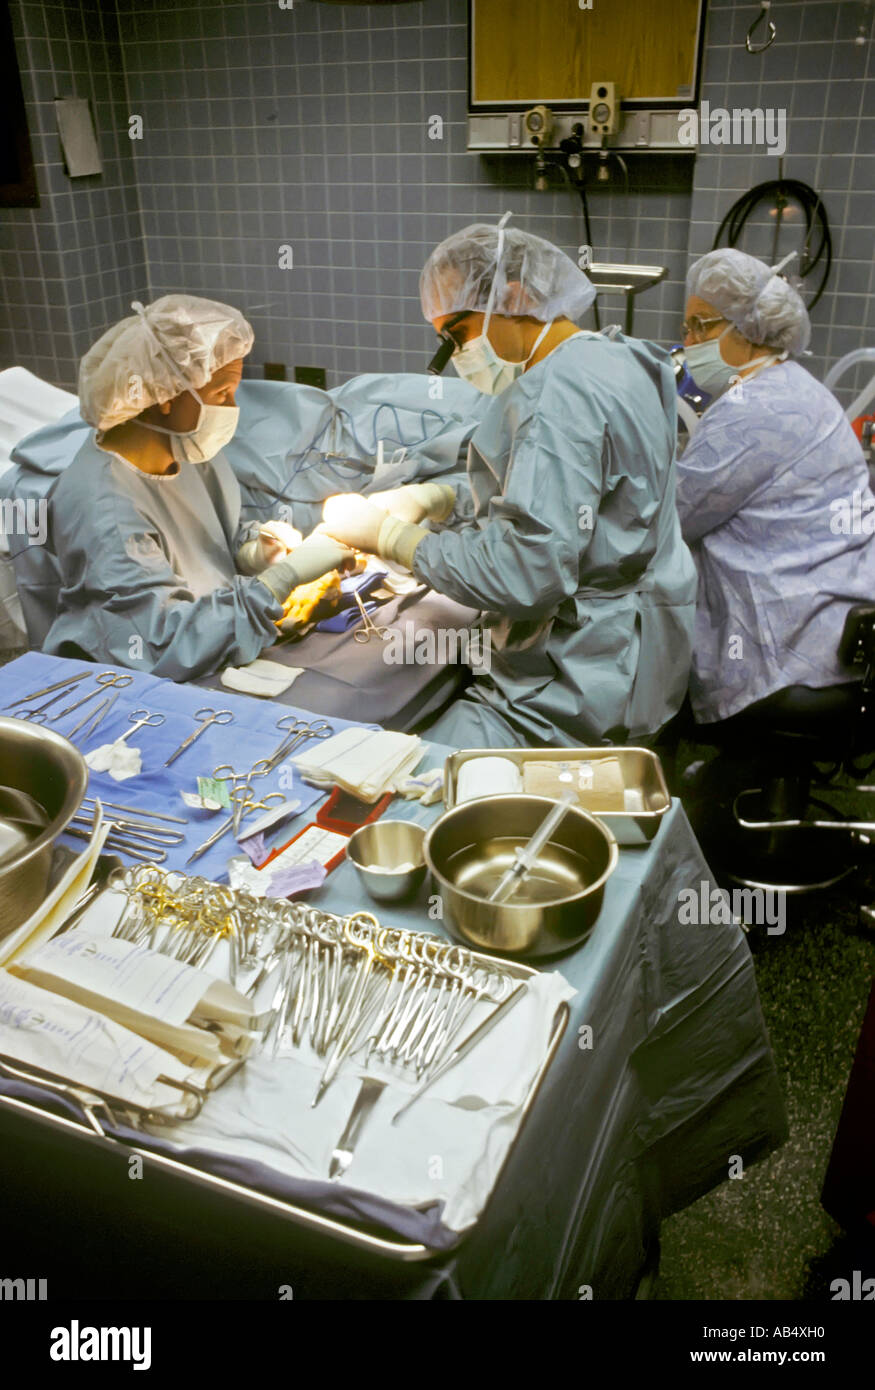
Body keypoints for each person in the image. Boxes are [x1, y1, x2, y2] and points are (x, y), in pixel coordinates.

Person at [318, 215, 697, 749]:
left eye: (458, 334)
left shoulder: (551, 397)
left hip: (573, 685)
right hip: (640, 648)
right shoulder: (618, 357)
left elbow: (526, 573)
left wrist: (391, 539)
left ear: (512, 296)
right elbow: (588, 502)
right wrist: (442, 498)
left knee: (413, 781)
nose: (457, 358)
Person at [43, 295, 353, 680]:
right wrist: (279, 582)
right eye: (222, 394)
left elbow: (208, 540)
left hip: (213, 639)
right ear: (169, 396)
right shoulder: (103, 510)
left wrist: (255, 550)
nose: (233, 408)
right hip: (139, 678)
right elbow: (160, 643)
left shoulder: (186, 453)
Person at [675, 248, 875, 729]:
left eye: (701, 326)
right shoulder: (795, 387)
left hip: (791, 650)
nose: (687, 341)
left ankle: (708, 790)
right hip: (843, 625)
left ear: (747, 329)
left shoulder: (750, 410)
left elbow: (673, 518)